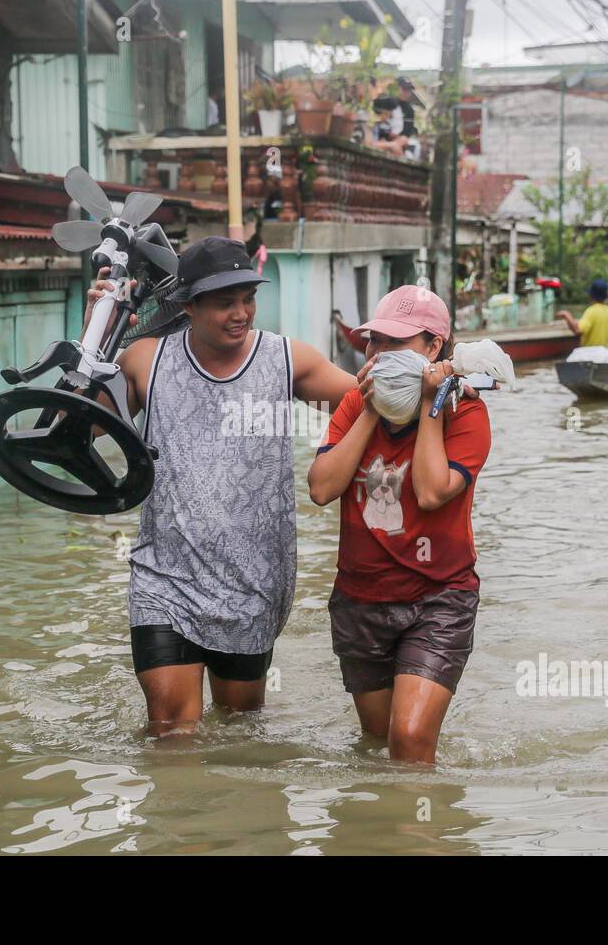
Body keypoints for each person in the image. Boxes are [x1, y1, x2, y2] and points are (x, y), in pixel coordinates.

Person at [81, 237, 359, 736]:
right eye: (224, 302)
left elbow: (370, 402)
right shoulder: (146, 360)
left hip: (252, 582)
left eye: (247, 299)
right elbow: (82, 426)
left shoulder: (287, 360)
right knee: (170, 731)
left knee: (239, 731)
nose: (241, 313)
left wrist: (439, 385)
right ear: (188, 305)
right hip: (164, 578)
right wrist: (94, 337)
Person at [307, 285, 491, 764]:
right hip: (361, 598)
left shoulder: (464, 411)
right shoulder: (355, 405)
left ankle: (420, 835)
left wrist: (430, 404)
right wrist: (370, 407)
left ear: (433, 348)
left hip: (438, 597)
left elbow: (431, 492)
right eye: (375, 343)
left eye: (397, 344)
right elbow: (322, 489)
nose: (380, 354)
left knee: (408, 742)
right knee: (377, 744)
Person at [556, 278, 608, 347]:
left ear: (591, 295)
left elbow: (577, 330)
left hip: (590, 354)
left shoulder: (591, 311)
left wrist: (566, 315)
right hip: (605, 354)